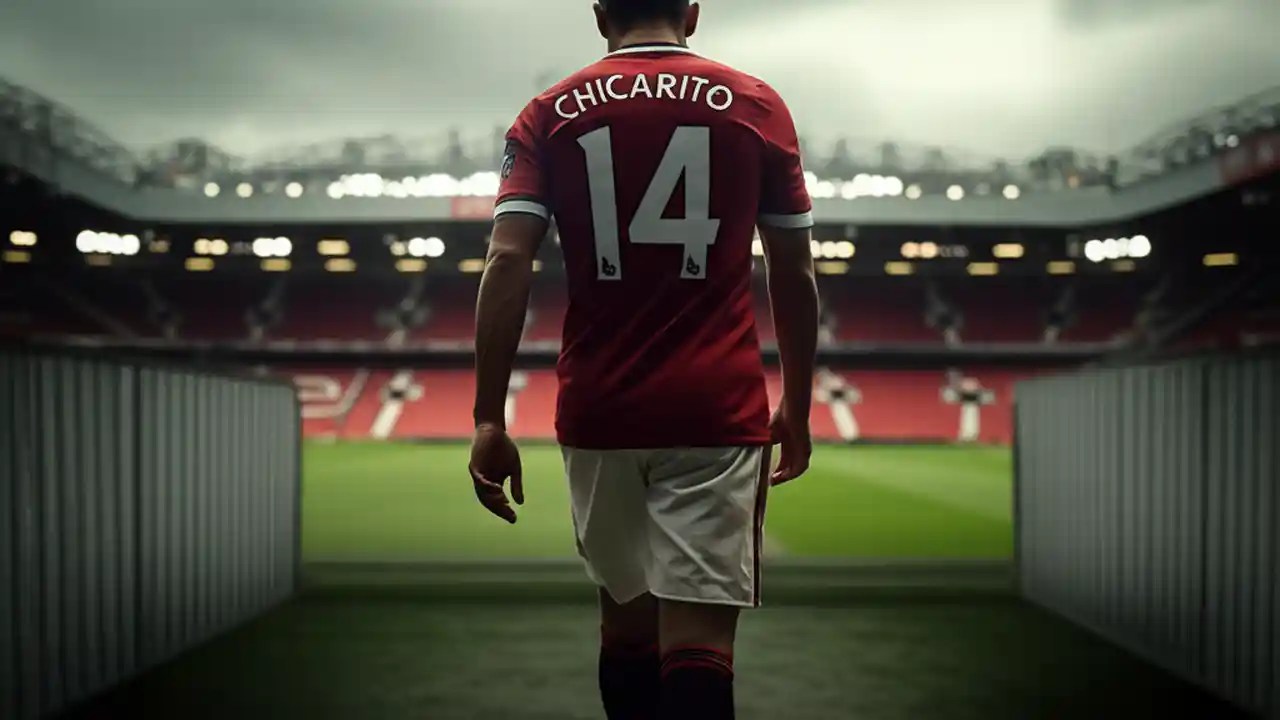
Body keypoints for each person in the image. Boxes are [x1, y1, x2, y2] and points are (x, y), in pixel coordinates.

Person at [469, 1, 818, 717]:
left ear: (600, 15)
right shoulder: (756, 104)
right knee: (700, 647)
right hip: (715, 410)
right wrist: (800, 405)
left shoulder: (548, 113)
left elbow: (508, 261)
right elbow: (794, 271)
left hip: (600, 408)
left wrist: (486, 418)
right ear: (692, 12)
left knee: (625, 627)